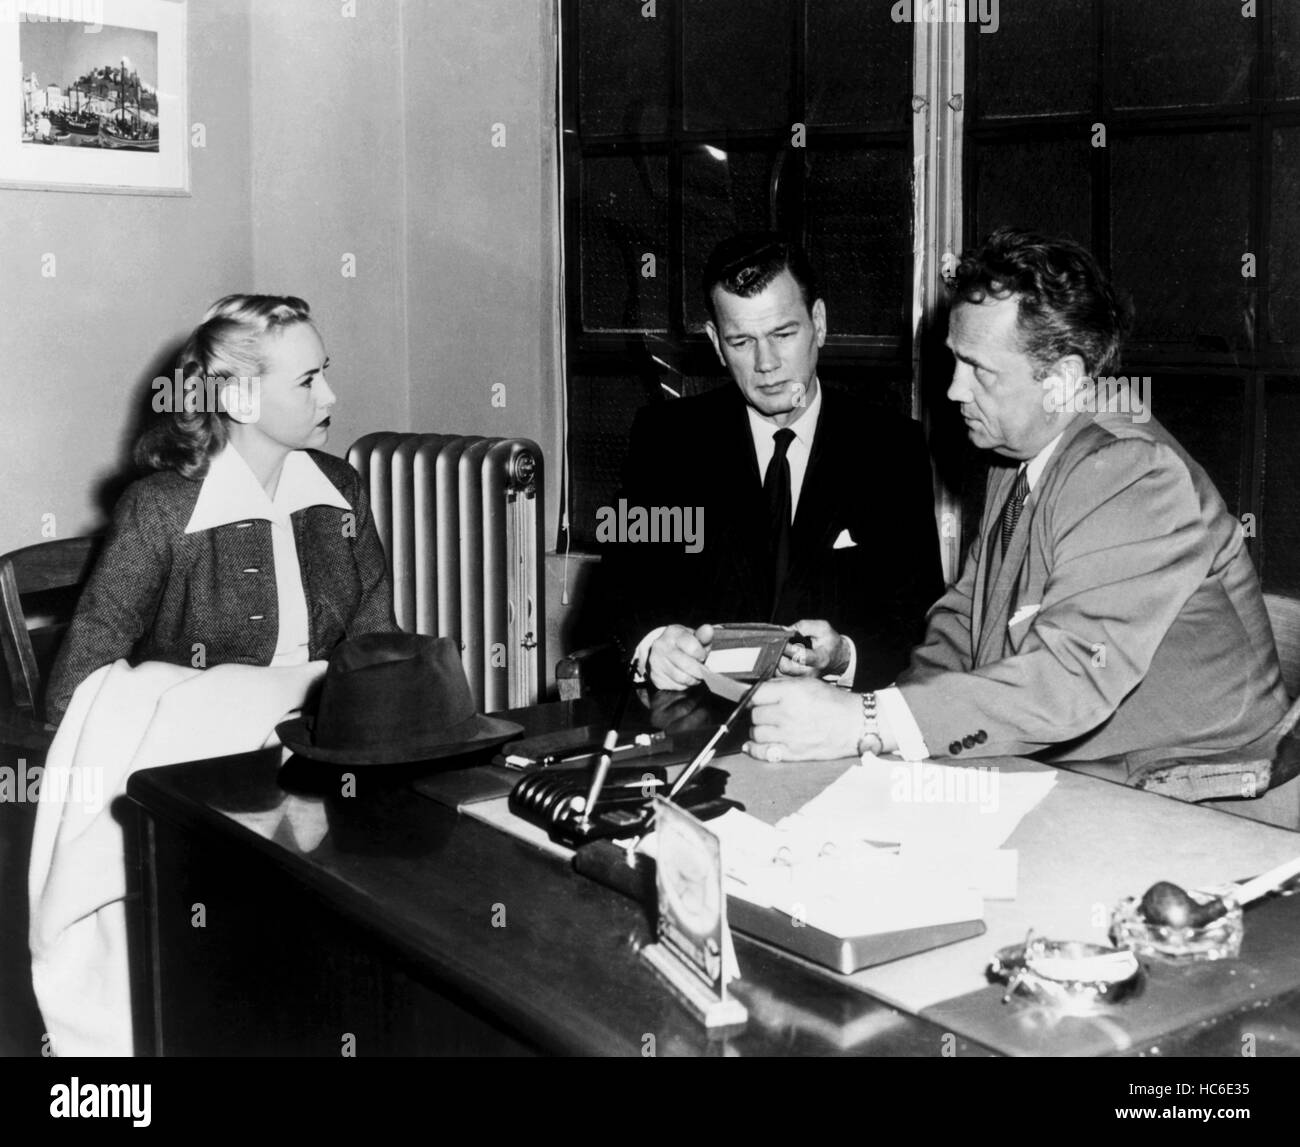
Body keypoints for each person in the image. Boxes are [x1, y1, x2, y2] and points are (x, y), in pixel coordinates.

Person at [745, 228, 1288, 801]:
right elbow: (959, 628)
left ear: (1062, 381)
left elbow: (1069, 678)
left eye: (981, 370)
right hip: (1084, 767)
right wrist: (875, 732)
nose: (954, 389)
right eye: (956, 361)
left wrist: (868, 721)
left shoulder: (1134, 472)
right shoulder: (1018, 457)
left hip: (1204, 790)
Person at [594, 232, 944, 693]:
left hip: (833, 726)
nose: (766, 364)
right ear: (717, 343)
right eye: (742, 341)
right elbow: (618, 588)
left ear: (818, 323)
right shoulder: (667, 441)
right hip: (698, 720)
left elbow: (919, 620)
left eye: (783, 334)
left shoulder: (890, 449)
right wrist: (653, 644)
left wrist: (844, 657)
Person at [46, 294, 397, 722]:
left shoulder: (341, 488)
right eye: (307, 382)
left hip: (321, 745)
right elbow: (75, 691)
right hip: (198, 761)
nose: (329, 397)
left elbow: (376, 642)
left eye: (325, 372)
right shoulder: (159, 508)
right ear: (238, 400)